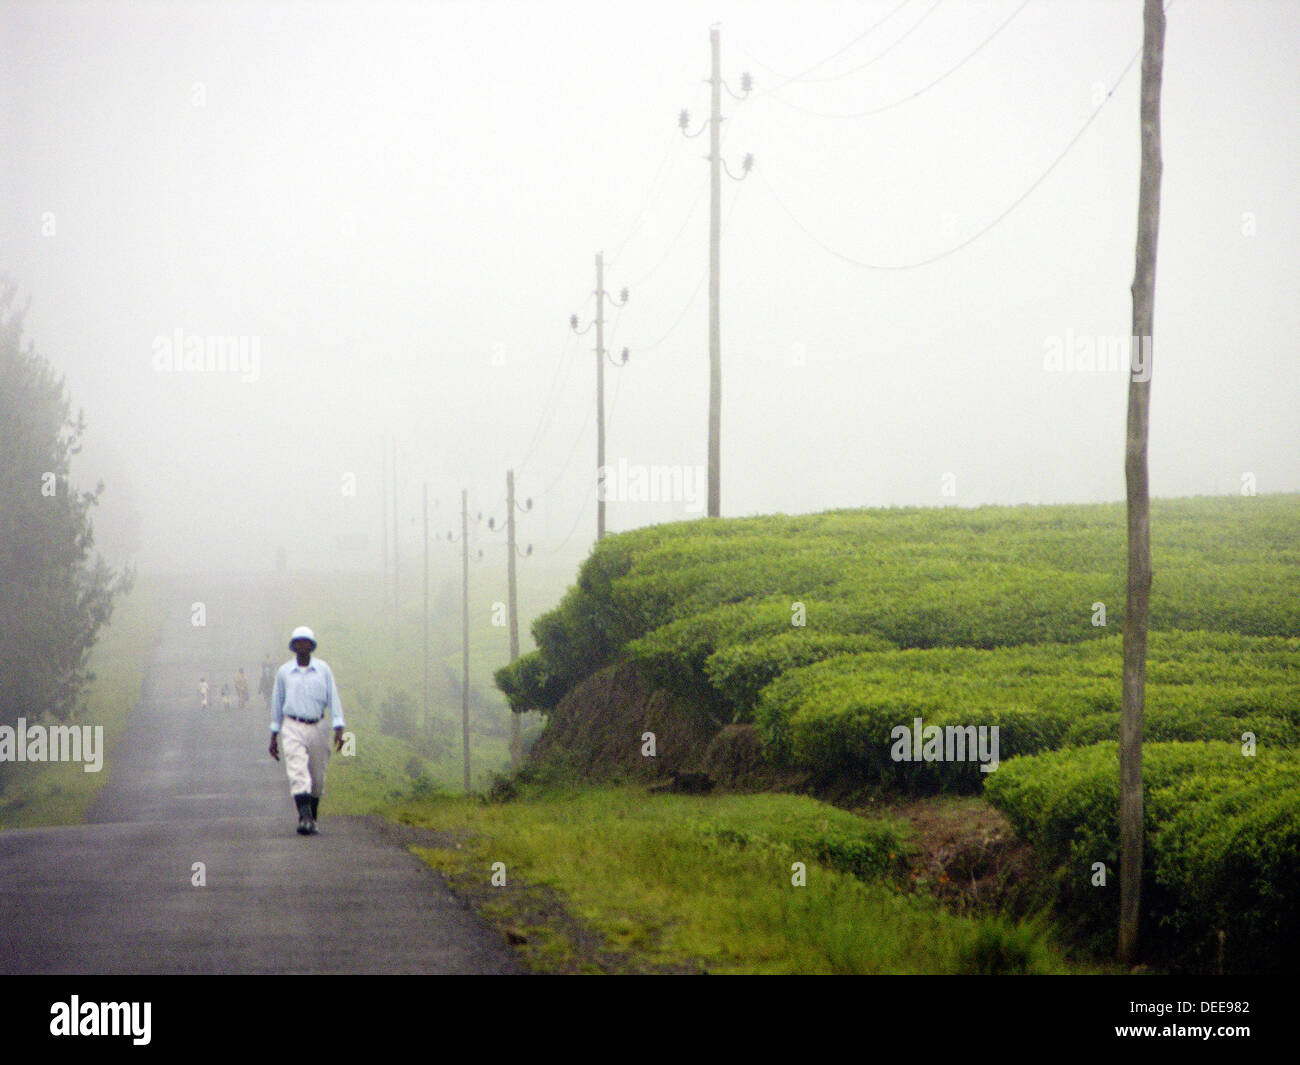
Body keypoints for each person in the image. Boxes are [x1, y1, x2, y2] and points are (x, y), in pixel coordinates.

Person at [267, 626, 345, 836]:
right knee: (298, 771)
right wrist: (274, 735)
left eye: (306, 642)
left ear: (312, 646)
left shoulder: (323, 670)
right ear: (293, 647)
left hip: (318, 726)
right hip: (293, 725)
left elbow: (333, 698)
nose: (302, 646)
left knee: (317, 778)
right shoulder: (284, 672)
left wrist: (339, 727)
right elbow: (277, 702)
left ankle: (312, 817)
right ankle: (304, 817)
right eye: (298, 642)